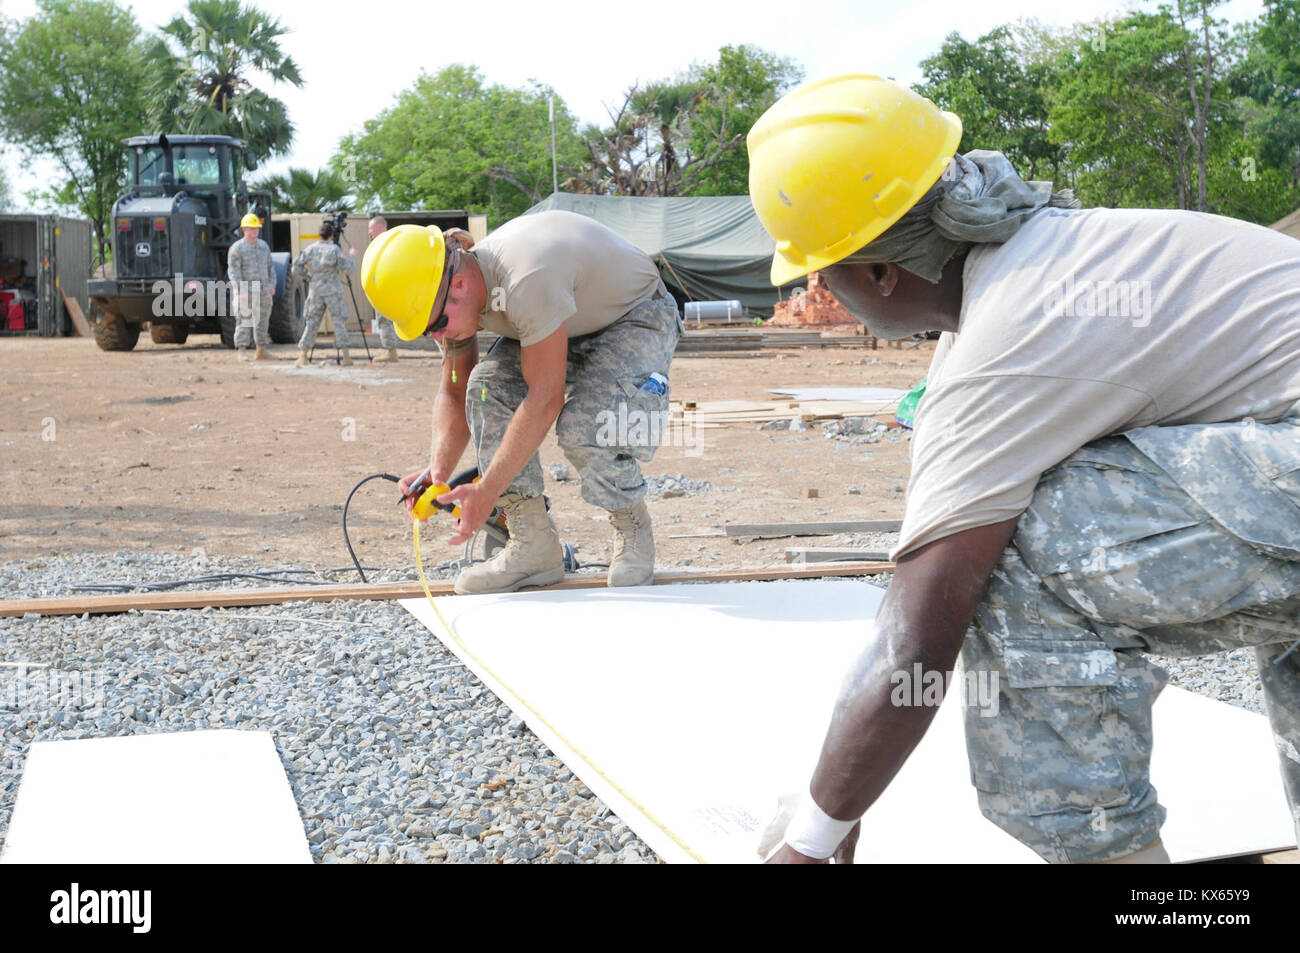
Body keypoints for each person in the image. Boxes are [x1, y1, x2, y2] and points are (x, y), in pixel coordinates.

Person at [747, 74, 1300, 864]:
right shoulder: (1057, 257)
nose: (814, 289)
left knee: (1020, 544)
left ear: (878, 273)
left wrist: (811, 839)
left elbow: (916, 639)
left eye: (818, 272)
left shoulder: (1007, 340)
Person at [362, 210, 683, 595]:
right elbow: (454, 386)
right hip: (566, 319)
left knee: (587, 426)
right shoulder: (451, 288)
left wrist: (486, 492)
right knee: (485, 388)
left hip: (633, 315)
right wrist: (438, 471)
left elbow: (544, 399)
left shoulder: (525, 280)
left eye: (436, 325)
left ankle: (632, 526)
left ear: (459, 284)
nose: (437, 337)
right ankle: (533, 545)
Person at [292, 219, 358, 366]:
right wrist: (352, 255)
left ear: (319, 234)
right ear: (332, 235)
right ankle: (346, 357)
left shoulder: (310, 249)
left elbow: (296, 267)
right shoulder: (335, 250)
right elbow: (348, 269)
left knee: (311, 324)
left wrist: (309, 277)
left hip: (315, 291)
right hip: (333, 291)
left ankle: (303, 356)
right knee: (339, 323)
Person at [227, 212, 274, 362]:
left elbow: (270, 268)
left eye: (257, 228)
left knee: (263, 320)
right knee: (244, 320)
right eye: (252, 228)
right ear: (244, 229)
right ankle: (241, 350)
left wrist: (272, 285)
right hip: (246, 290)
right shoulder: (237, 248)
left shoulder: (263, 246)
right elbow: (233, 272)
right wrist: (240, 291)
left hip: (263, 290)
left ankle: (261, 350)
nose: (255, 231)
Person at [367, 215, 400, 363]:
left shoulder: (382, 243)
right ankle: (391, 350)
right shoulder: (392, 240)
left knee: (384, 318)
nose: (369, 232)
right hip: (390, 284)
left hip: (384, 285)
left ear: (380, 227)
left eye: (371, 228)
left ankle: (390, 352)